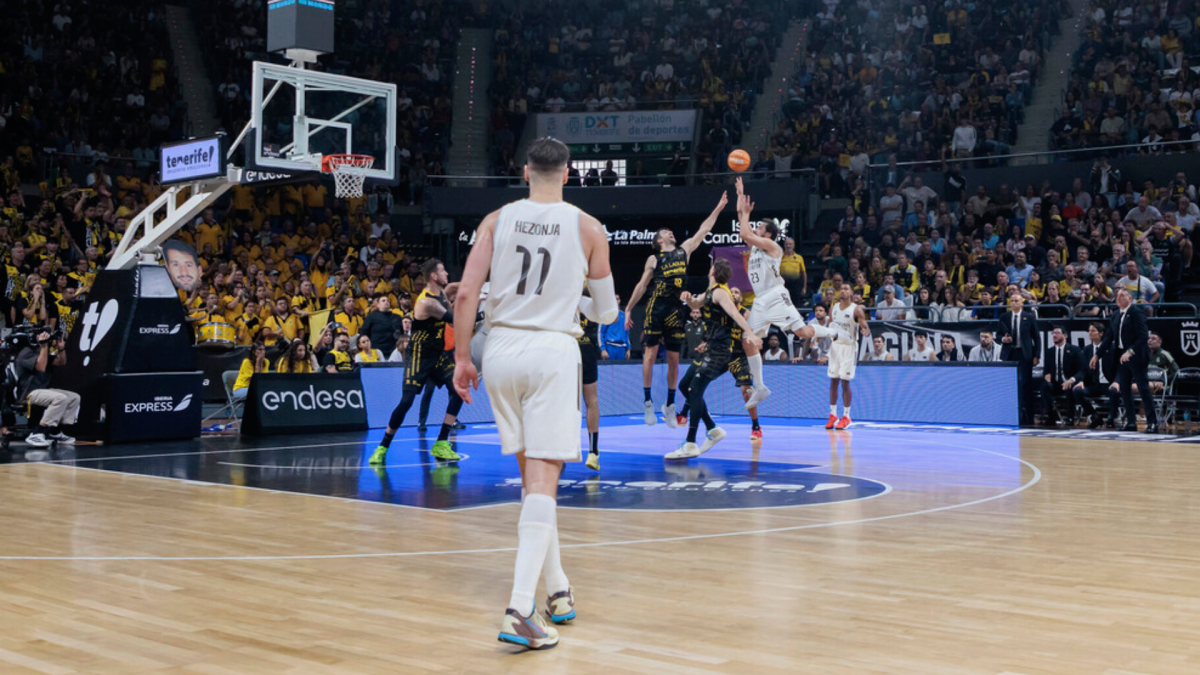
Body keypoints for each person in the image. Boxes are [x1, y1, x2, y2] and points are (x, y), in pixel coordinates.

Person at [451, 138, 617, 650]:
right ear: (567, 174)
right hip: (550, 353)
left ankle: (558, 591)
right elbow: (607, 313)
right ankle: (520, 609)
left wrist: (462, 357)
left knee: (532, 480)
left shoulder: (496, 221)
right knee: (545, 479)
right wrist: (577, 303)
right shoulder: (590, 228)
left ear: (526, 172)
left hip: (498, 349)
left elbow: (463, 292)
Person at [623, 192, 727, 427]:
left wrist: (718, 208)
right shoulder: (653, 258)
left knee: (673, 358)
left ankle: (670, 405)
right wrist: (628, 309)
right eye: (665, 232)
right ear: (659, 240)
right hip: (655, 307)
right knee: (649, 354)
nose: (671, 232)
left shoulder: (684, 250)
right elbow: (641, 285)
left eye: (671, 231)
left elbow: (704, 229)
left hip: (674, 309)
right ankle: (647, 402)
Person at [736, 177, 831, 409]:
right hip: (762, 300)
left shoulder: (773, 247)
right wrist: (740, 197)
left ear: (768, 234)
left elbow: (746, 234)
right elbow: (744, 230)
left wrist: (745, 212)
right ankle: (760, 386)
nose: (756, 229)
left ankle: (833, 331)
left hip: (775, 295)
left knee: (803, 332)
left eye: (760, 228)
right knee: (748, 341)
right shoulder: (757, 245)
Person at [370, 258, 465, 463]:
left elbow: (458, 285)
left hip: (438, 355)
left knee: (459, 389)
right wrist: (485, 310)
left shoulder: (442, 292)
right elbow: (456, 319)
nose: (447, 273)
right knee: (407, 401)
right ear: (433, 276)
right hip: (419, 355)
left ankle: (441, 443)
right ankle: (382, 448)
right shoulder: (427, 302)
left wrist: (483, 287)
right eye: (443, 270)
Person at [666, 257, 761, 459]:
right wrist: (687, 296)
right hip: (710, 348)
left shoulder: (720, 293)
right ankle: (713, 429)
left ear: (713, 272)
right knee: (685, 385)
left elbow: (735, 315)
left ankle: (690, 443)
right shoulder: (711, 291)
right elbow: (695, 302)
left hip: (720, 350)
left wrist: (750, 333)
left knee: (695, 389)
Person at [1093, 289, 1158, 433]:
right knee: (1124, 390)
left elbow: (1142, 336)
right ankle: (1131, 422)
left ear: (1130, 298)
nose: (1118, 298)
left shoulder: (1136, 312)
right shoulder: (1116, 315)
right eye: (1117, 296)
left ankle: (1152, 422)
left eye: (1121, 295)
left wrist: (1130, 351)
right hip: (1121, 357)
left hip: (1137, 356)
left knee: (1143, 389)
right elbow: (1109, 337)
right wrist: (1097, 355)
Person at [17, 330, 78, 447]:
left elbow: (61, 362)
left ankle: (55, 431)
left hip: (43, 390)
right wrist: (44, 345)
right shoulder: (26, 352)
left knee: (74, 398)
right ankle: (37, 433)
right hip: (28, 393)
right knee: (61, 398)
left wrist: (61, 348)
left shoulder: (42, 351)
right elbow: (41, 367)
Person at [827, 283, 871, 429]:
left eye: (846, 289)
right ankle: (833, 414)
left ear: (851, 292)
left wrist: (865, 331)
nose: (843, 291)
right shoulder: (833, 308)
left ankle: (846, 416)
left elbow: (865, 325)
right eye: (841, 289)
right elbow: (829, 326)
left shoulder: (856, 309)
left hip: (849, 348)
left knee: (845, 382)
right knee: (833, 381)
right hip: (835, 347)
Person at [996, 295, 1039, 424]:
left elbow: (1036, 337)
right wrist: (1004, 339)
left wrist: (1036, 355)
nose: (1014, 303)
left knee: (1025, 384)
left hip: (1024, 353)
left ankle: (1028, 416)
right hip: (1010, 353)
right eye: (1012, 301)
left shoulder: (1029, 316)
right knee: (1010, 385)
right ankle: (1011, 414)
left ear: (1021, 302)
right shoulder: (1005, 317)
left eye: (1016, 301)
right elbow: (998, 335)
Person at [578, 301, 605, 471]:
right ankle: (565, 449)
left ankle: (593, 451)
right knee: (565, 402)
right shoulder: (561, 294)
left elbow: (612, 315)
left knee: (591, 400)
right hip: (567, 350)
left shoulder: (590, 300)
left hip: (587, 350)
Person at [1074, 322, 1117, 428]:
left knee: (1114, 391)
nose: (1090, 333)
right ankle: (1094, 415)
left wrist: (1116, 381)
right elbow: (1083, 369)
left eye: (1093, 331)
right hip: (1093, 384)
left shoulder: (1111, 348)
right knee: (1077, 390)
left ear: (1101, 333)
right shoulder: (1086, 349)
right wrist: (1081, 381)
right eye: (1089, 331)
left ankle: (1111, 418)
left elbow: (1116, 368)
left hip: (1108, 382)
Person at [1039, 326, 1084, 425]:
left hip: (1068, 381)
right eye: (1053, 333)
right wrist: (1046, 375)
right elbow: (1046, 369)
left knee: (1070, 387)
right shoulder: (1049, 351)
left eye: (1057, 333)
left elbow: (1081, 370)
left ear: (1065, 335)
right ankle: (1051, 415)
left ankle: (1070, 417)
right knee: (1044, 387)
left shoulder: (1074, 350)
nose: (1054, 335)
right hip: (1055, 383)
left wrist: (1072, 379)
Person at [600, 294, 629, 360]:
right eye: (614, 299)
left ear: (620, 301)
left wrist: (628, 348)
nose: (616, 301)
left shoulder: (624, 315)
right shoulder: (606, 314)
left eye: (617, 299)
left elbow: (627, 333)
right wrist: (603, 349)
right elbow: (601, 333)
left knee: (621, 369)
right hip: (610, 346)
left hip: (622, 347)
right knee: (609, 369)